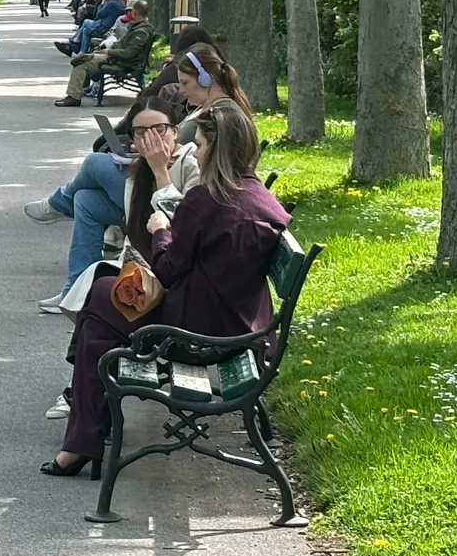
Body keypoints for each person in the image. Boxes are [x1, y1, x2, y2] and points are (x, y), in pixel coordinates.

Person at [43, 97, 289, 477]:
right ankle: (83, 432)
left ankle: (83, 437)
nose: (199, 152)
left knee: (98, 311)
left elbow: (169, 268)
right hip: (242, 326)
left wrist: (160, 231)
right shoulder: (258, 197)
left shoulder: (207, 200)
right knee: (102, 300)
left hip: (198, 334)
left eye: (203, 146)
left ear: (219, 149)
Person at [23, 86, 198, 310]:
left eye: (160, 129)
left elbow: (184, 220)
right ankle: (75, 290)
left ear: (175, 131)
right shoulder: (140, 165)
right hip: (139, 241)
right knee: (85, 199)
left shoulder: (190, 161)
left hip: (167, 249)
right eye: (142, 132)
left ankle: (58, 204)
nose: (151, 137)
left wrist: (160, 170)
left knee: (95, 162)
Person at [53, 0, 156, 107]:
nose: (129, 14)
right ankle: (81, 89)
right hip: (121, 59)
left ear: (136, 13)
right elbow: (122, 44)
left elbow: (129, 53)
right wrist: (105, 47)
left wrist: (109, 52)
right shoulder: (139, 27)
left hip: (124, 63)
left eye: (132, 12)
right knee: (87, 56)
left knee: (81, 61)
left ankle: (73, 97)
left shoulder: (141, 32)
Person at [59, 0, 126, 56]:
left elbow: (99, 14)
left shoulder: (110, 4)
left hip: (104, 27)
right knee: (86, 30)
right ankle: (81, 51)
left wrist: (103, 4)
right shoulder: (121, 3)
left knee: (86, 22)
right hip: (109, 26)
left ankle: (76, 42)